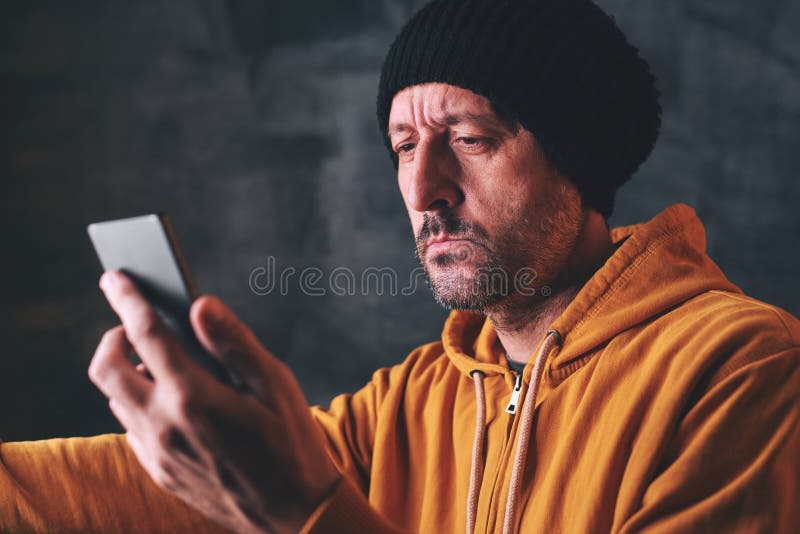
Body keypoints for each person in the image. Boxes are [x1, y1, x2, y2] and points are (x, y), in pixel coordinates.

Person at [2, 0, 799, 532]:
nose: (423, 190)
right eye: (404, 146)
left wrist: (306, 510)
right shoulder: (410, 404)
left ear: (577, 159)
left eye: (472, 140)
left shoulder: (744, 373)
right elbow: (67, 496)